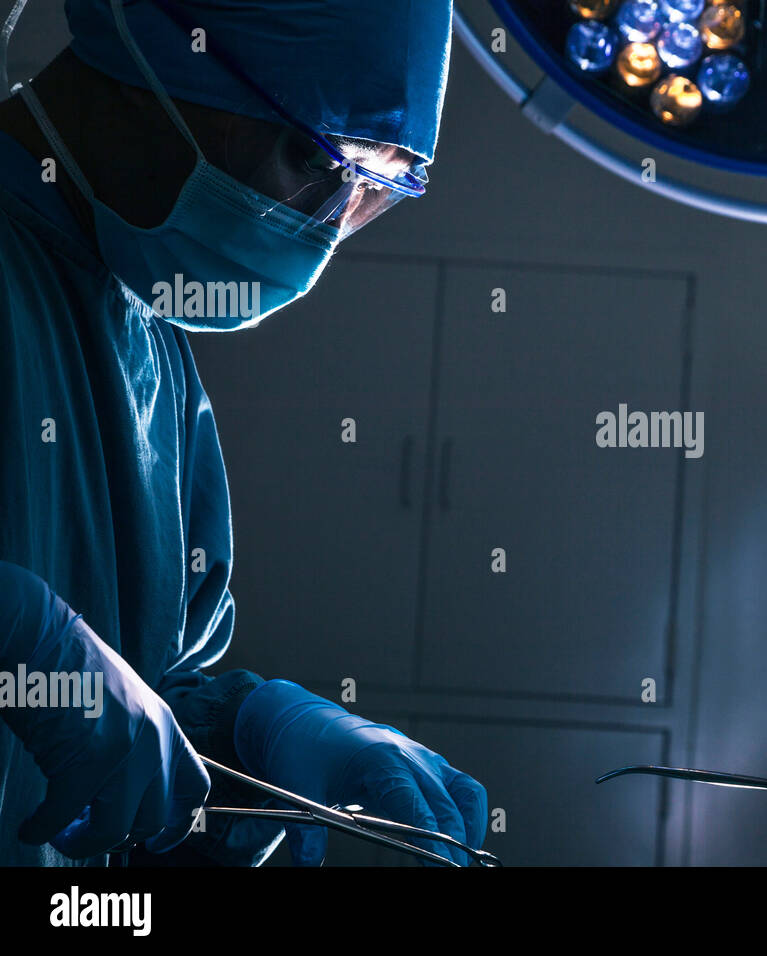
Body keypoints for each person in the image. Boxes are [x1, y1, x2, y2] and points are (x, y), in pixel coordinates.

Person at [0, 0, 487, 866]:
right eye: (312, 155)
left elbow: (136, 713)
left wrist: (248, 736)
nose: (325, 216)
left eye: (371, 186)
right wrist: (14, 632)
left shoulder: (150, 341)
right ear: (158, 44)